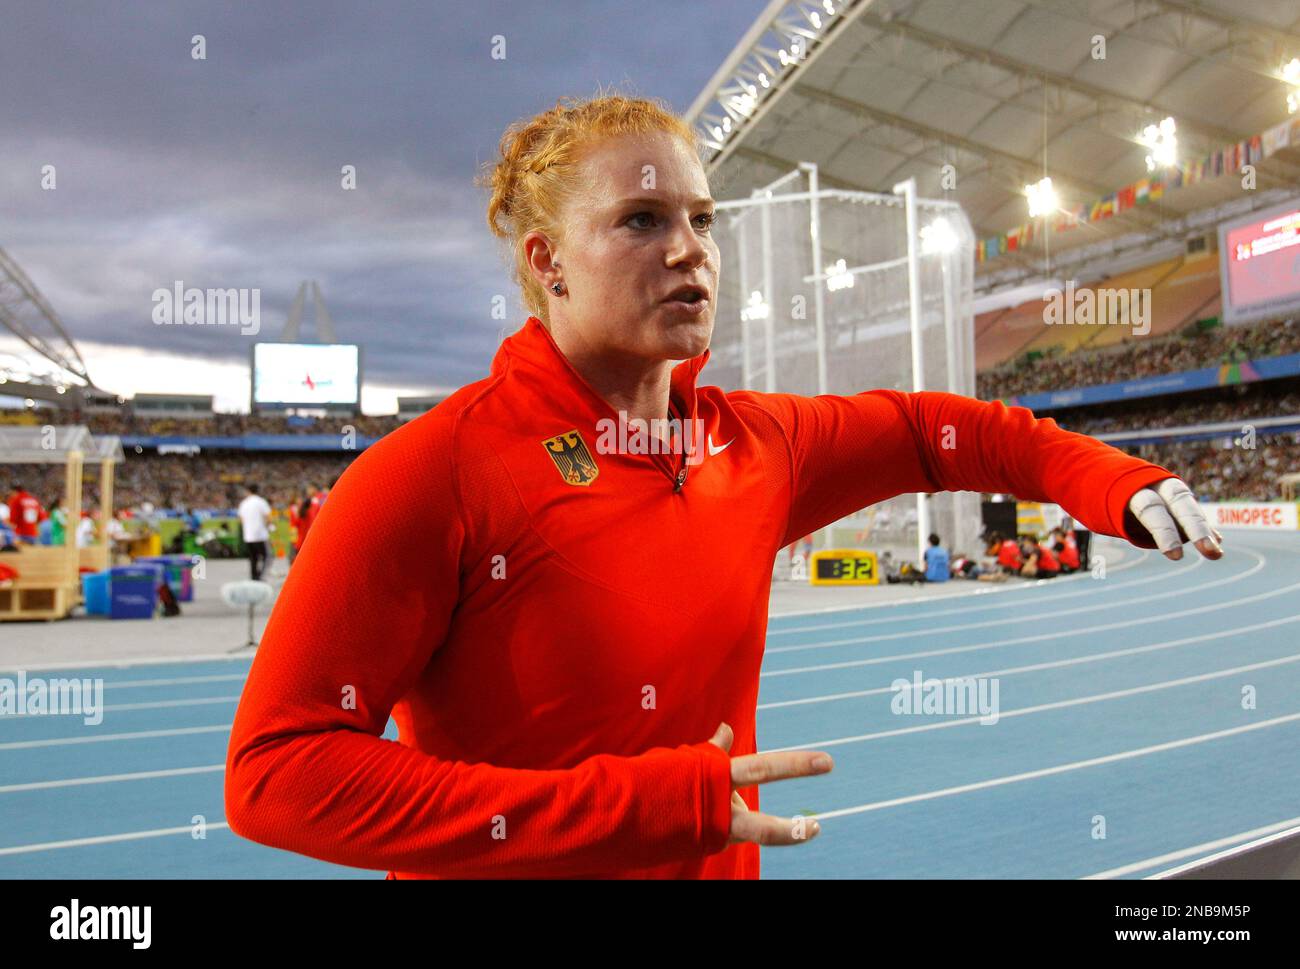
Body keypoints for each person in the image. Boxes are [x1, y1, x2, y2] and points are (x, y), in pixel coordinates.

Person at [225, 92, 1225, 881]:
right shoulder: (430, 472)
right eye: (641, 219)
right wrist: (628, 810)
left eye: (702, 219)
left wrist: (1111, 477)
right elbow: (277, 772)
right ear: (547, 263)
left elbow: (937, 431)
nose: (689, 248)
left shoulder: (756, 446)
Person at [237, 483, 272, 581]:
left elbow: (240, 518)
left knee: (253, 557)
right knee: (266, 556)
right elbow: (268, 517)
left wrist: (248, 526)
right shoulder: (261, 502)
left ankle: (254, 576)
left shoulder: (244, 503)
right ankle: (261, 575)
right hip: (260, 535)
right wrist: (267, 526)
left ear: (248, 491)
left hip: (248, 535)